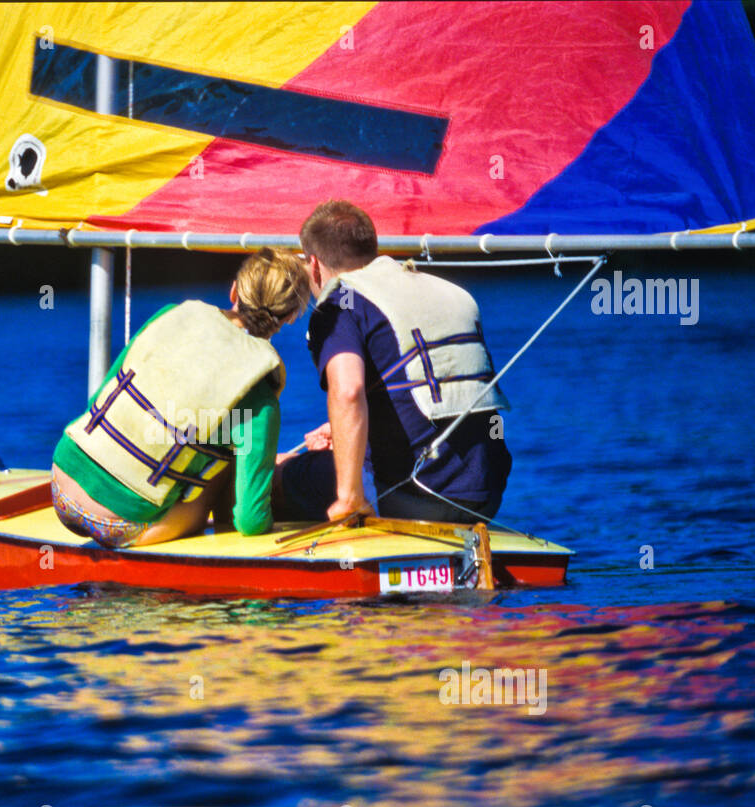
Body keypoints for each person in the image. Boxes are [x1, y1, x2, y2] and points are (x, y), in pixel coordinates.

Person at [51, 248, 309, 548]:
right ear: (290, 317)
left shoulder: (171, 316)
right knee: (226, 459)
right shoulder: (260, 397)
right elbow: (251, 521)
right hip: (119, 524)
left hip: (61, 482)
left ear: (234, 290)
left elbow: (101, 397)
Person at [275, 200, 512, 524]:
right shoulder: (450, 291)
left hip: (415, 498)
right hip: (487, 498)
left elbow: (347, 392)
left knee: (277, 476)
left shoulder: (340, 301)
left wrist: (349, 498)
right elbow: (430, 389)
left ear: (313, 265)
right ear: (372, 248)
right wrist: (345, 432)